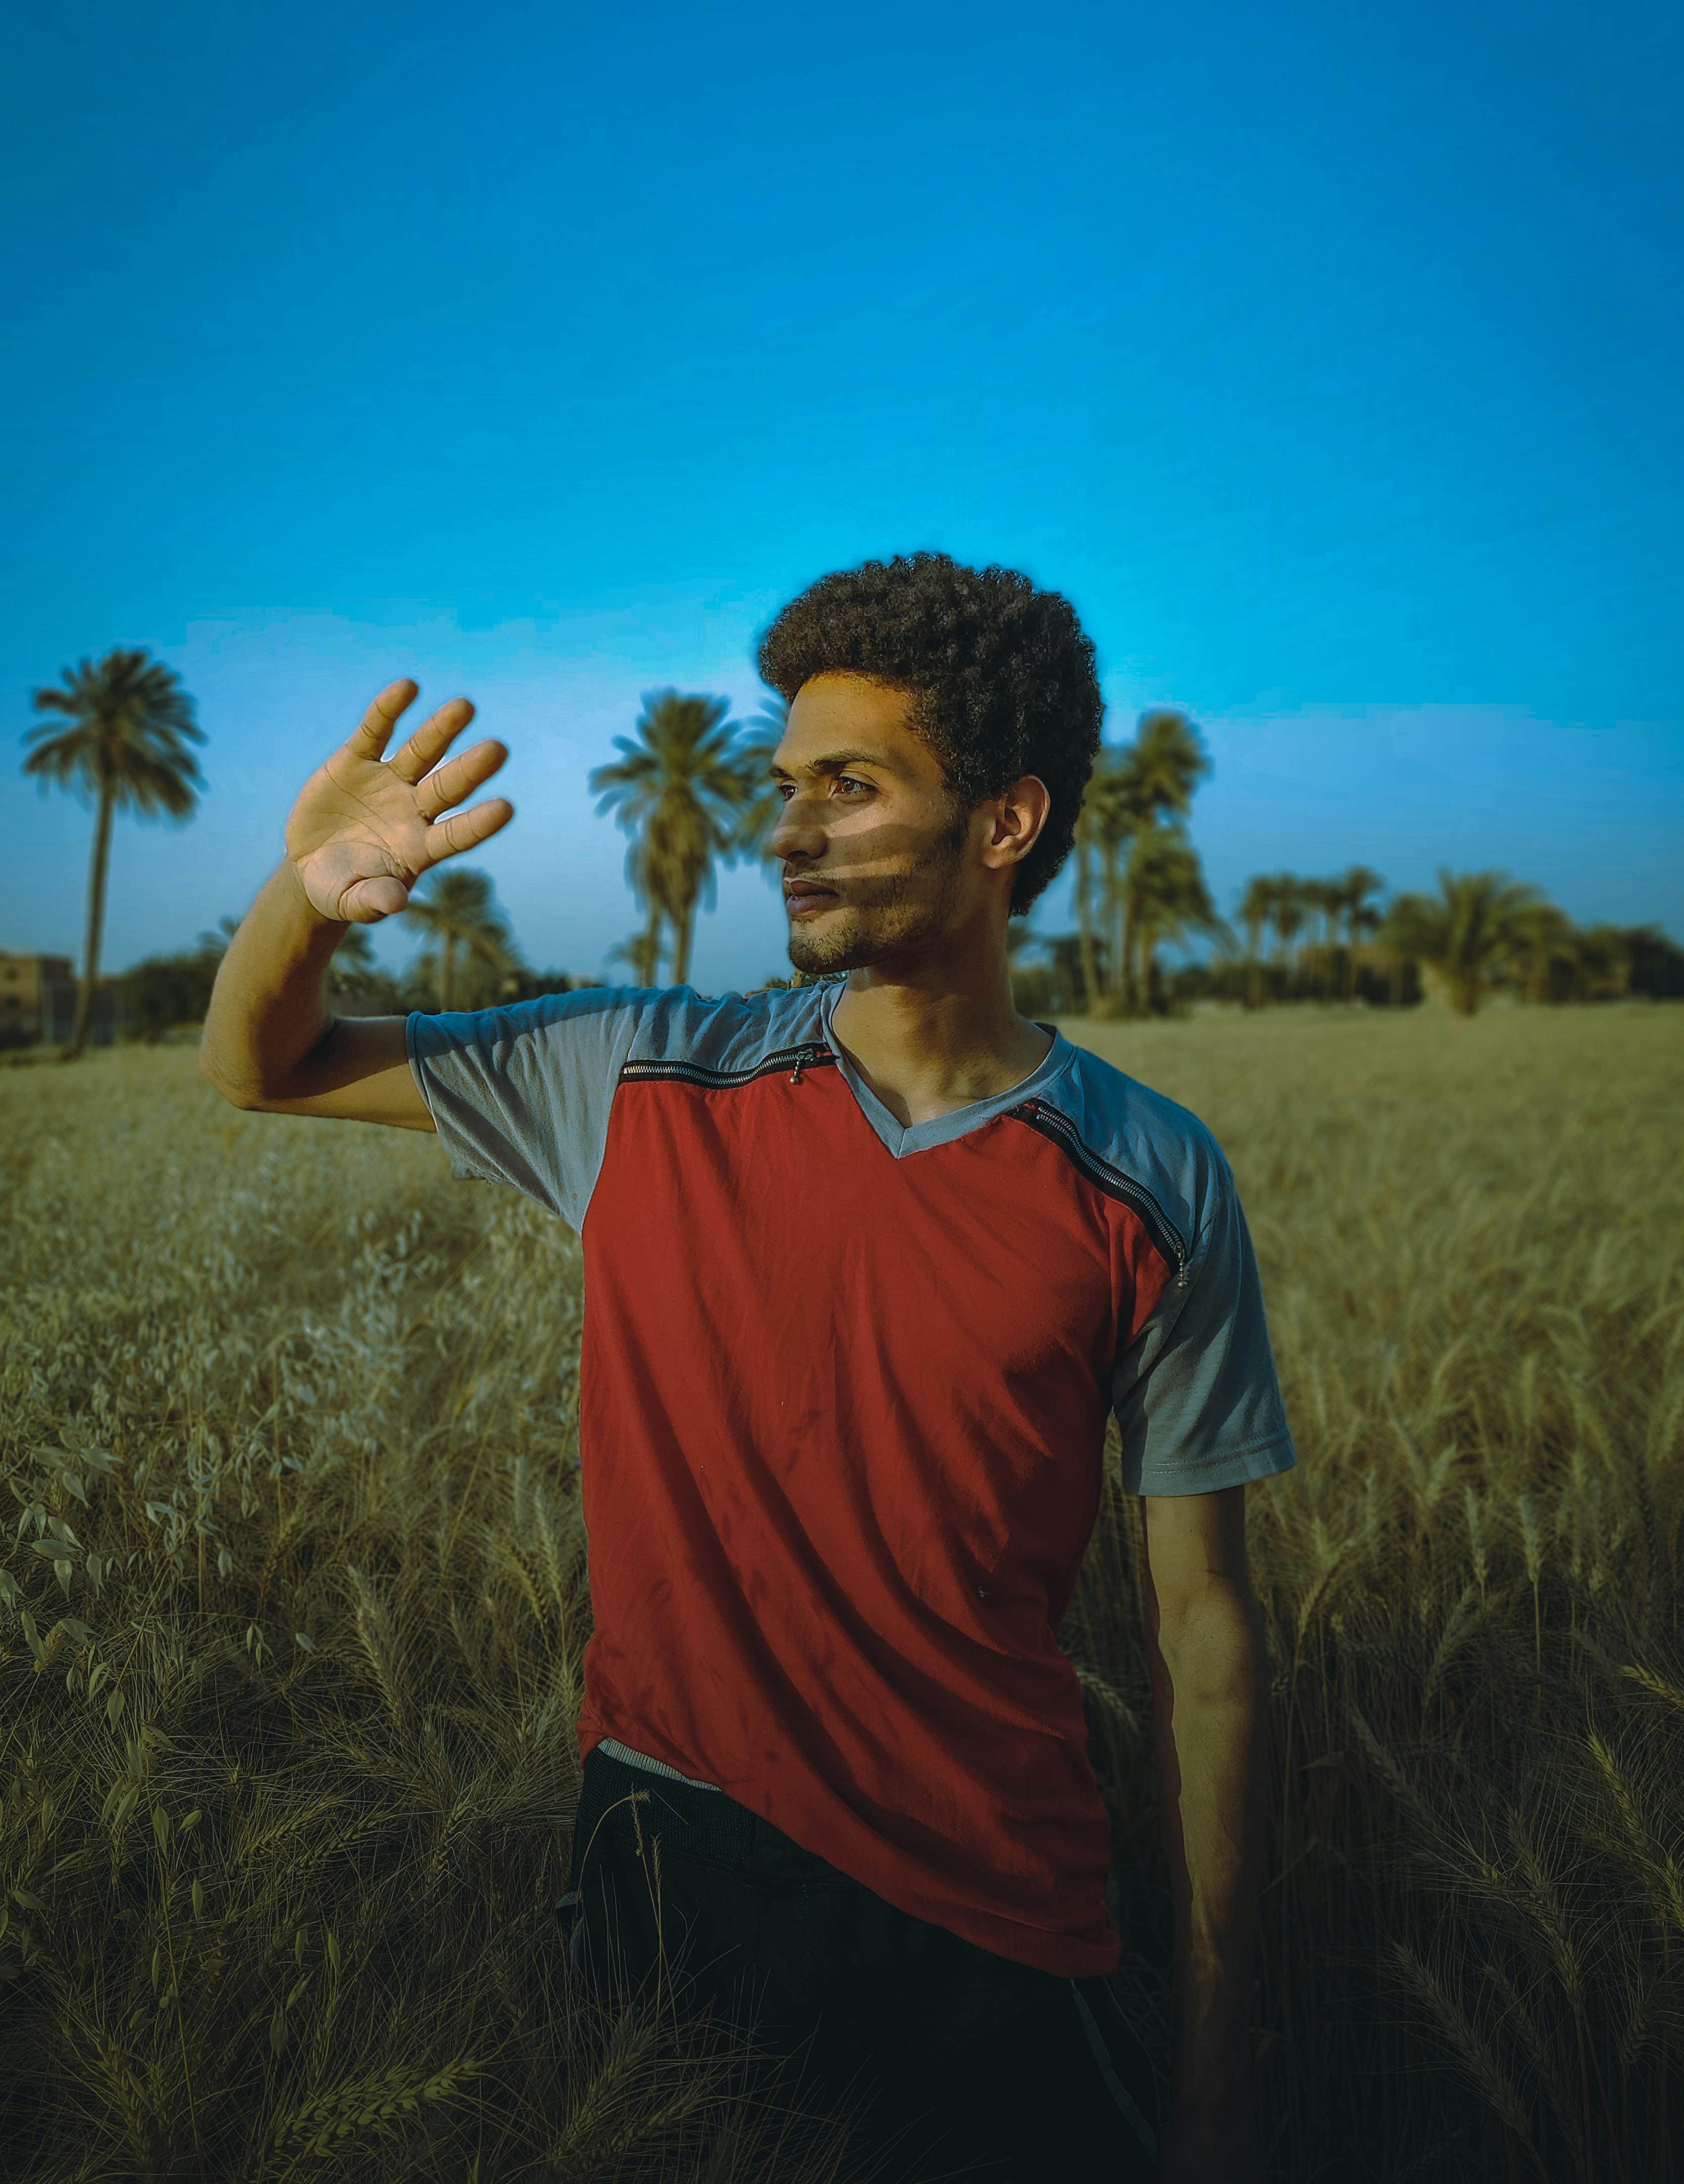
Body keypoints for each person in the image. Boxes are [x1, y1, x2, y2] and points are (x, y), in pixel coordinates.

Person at [201, 552, 1294, 2183]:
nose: (785, 832)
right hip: (675, 1856)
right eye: (783, 787)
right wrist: (312, 888)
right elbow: (261, 1066)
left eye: (849, 789)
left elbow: (1205, 1629)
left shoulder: (1151, 1175)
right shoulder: (638, 1077)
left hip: (998, 1916)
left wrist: (1223, 2065)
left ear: (1005, 822)